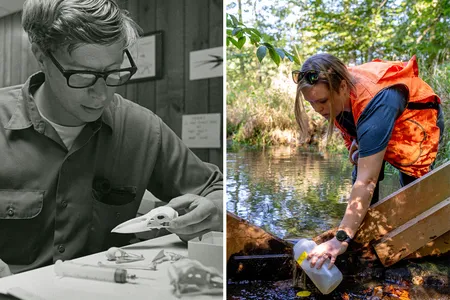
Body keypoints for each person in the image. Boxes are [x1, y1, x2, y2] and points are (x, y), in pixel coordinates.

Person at [0, 0, 223, 276]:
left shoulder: (143, 129)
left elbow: (215, 190)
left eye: (114, 72)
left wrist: (212, 210)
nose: (102, 94)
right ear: (41, 56)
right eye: (83, 76)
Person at [292, 53, 444, 270]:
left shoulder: (375, 101)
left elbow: (367, 181)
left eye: (322, 101)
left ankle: (424, 256)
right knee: (360, 180)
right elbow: (360, 173)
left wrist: (340, 238)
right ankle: (363, 245)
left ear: (342, 86)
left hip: (415, 127)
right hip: (379, 120)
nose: (318, 109)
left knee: (415, 195)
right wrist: (358, 142)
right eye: (311, 103)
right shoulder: (340, 93)